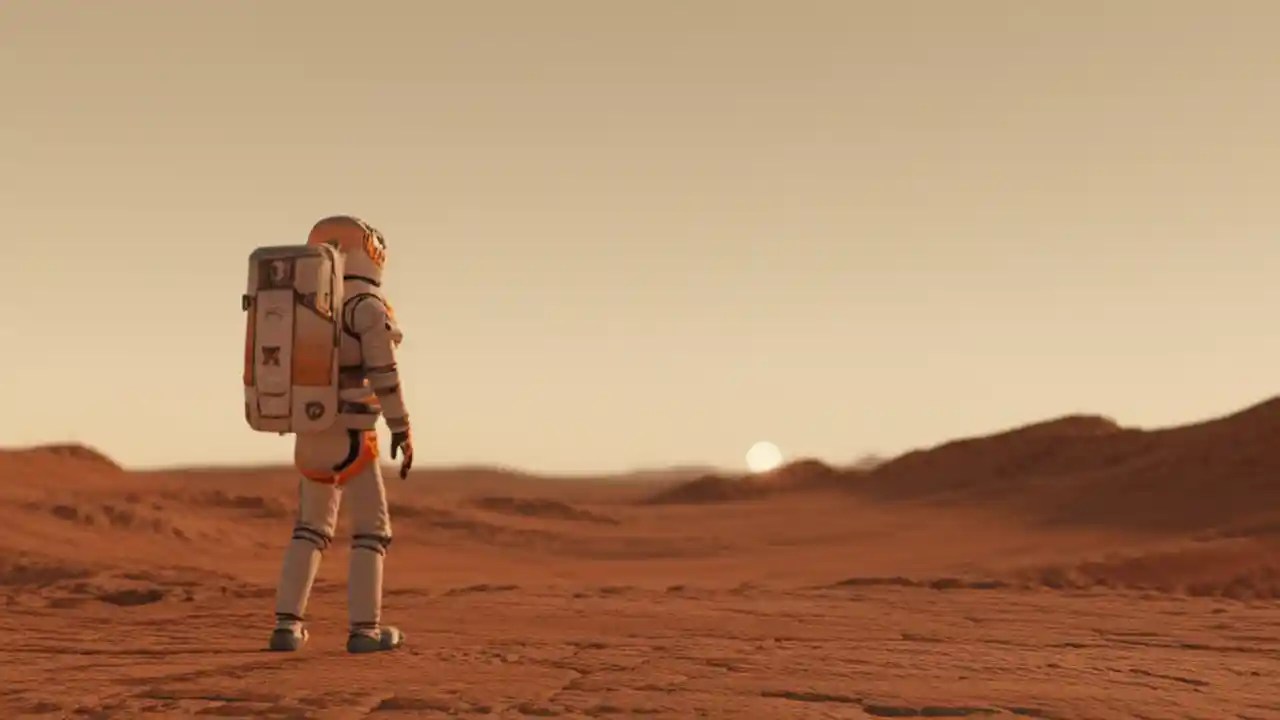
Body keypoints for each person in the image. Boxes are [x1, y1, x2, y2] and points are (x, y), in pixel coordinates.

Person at [268, 215, 415, 654]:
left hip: (310, 431)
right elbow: (384, 373)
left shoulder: (305, 301)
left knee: (309, 528)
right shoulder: (366, 305)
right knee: (372, 530)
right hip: (353, 434)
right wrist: (401, 426)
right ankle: (365, 630)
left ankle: (286, 626)